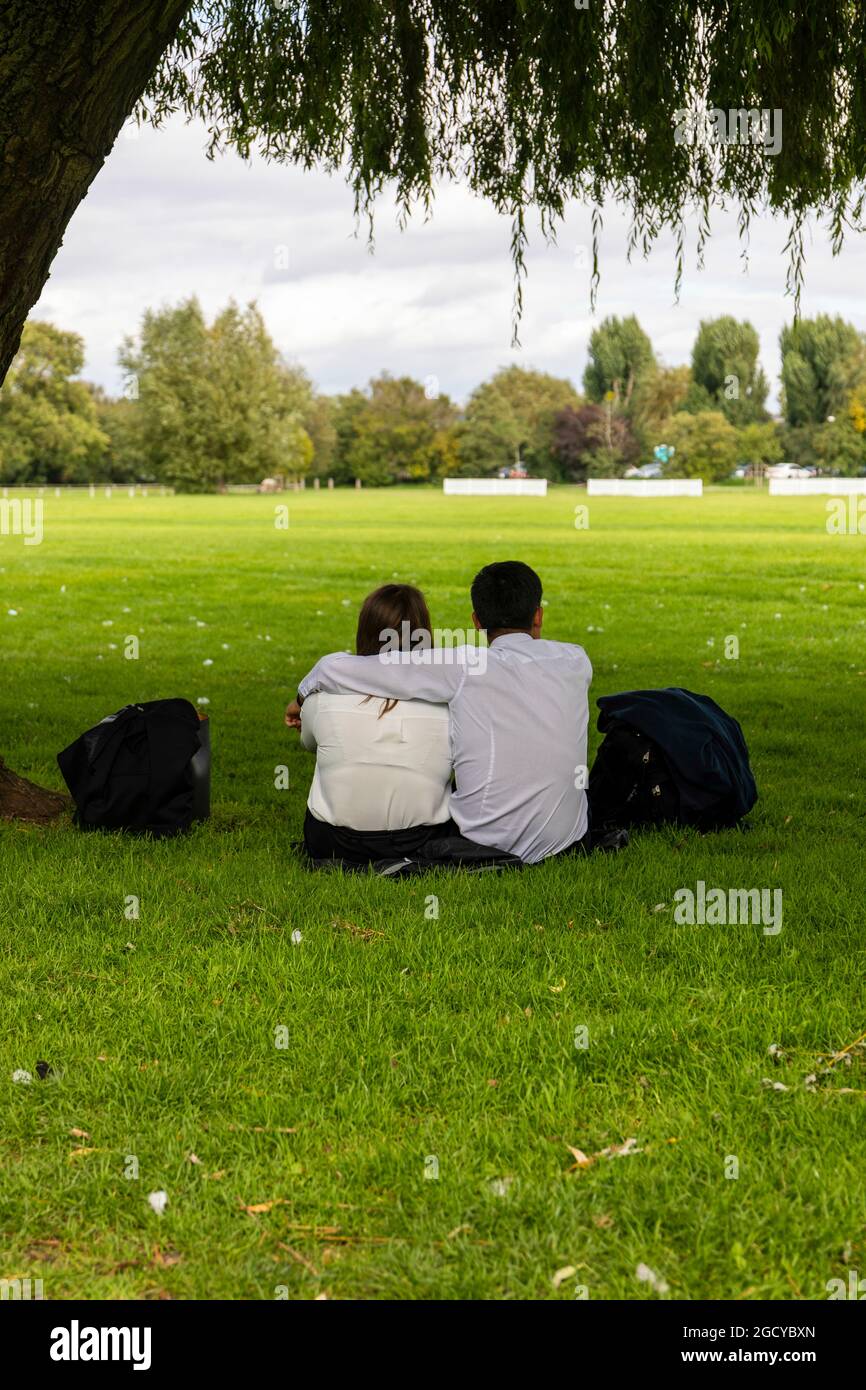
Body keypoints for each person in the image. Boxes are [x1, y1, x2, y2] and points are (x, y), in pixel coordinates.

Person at [286, 561, 593, 864]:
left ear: (476, 621)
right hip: (567, 837)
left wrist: (301, 698)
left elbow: (341, 669)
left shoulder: (463, 667)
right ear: (538, 615)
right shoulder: (578, 662)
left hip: (484, 839)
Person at [296, 583, 454, 864]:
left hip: (334, 842)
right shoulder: (450, 703)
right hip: (424, 840)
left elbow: (308, 743)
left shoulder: (322, 696)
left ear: (365, 630)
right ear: (424, 635)